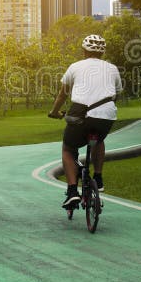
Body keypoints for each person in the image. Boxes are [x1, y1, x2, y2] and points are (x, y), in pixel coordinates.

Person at [48, 34, 123, 209]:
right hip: (106, 115)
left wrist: (54, 112)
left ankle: (72, 191)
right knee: (98, 140)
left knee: (68, 149)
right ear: (102, 53)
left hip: (80, 114)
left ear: (84, 51)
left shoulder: (75, 67)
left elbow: (62, 95)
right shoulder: (112, 69)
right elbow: (117, 94)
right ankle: (98, 177)